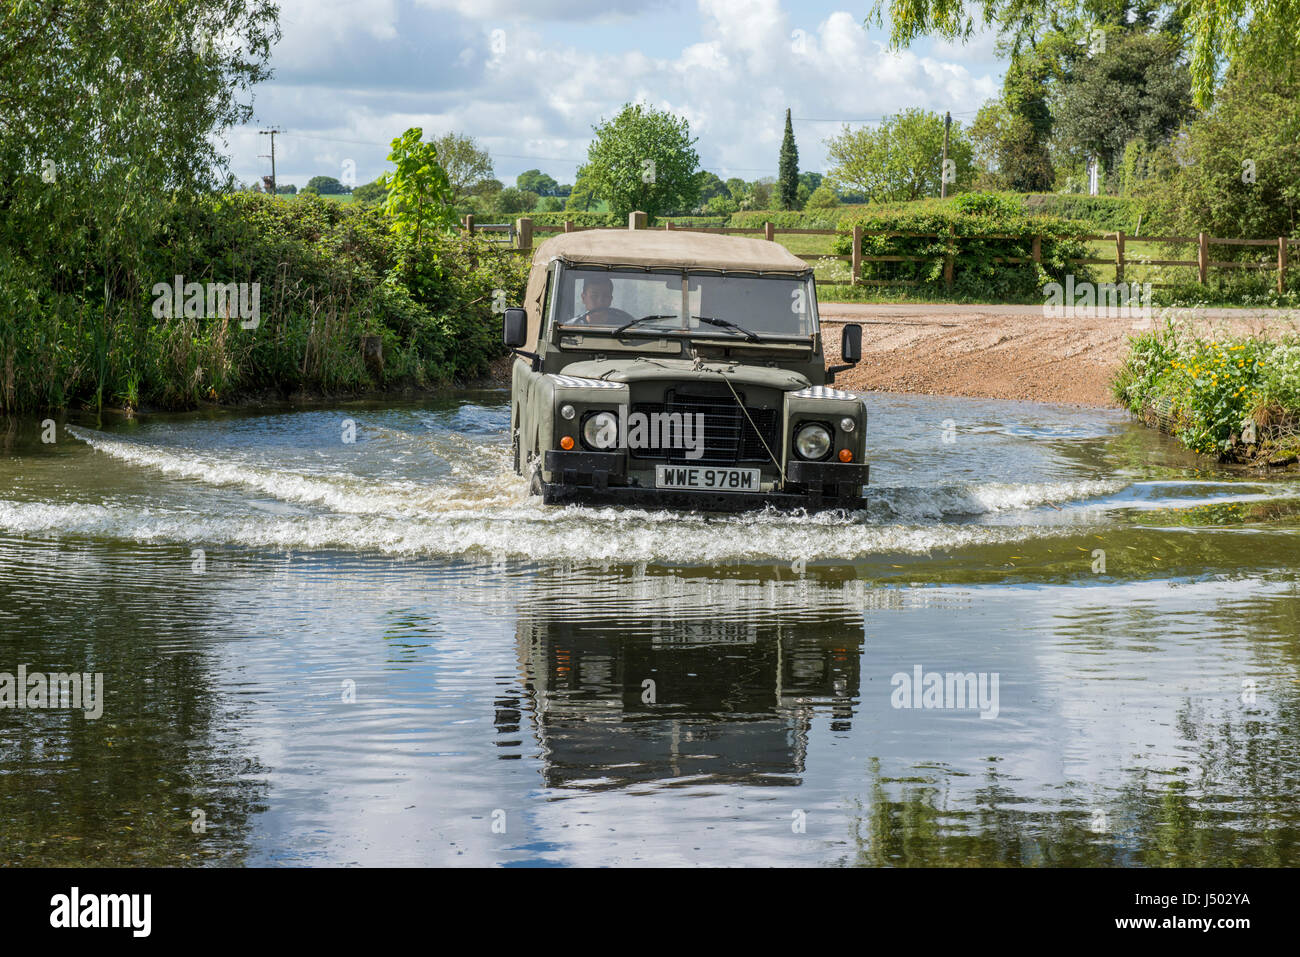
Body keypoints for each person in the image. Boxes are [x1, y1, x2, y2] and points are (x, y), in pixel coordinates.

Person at [569, 276, 633, 326]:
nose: (600, 301)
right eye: (594, 296)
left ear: (610, 299)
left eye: (605, 296)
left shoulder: (623, 327)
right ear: (583, 298)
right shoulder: (570, 328)